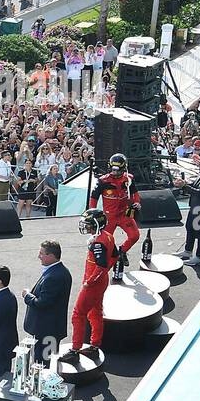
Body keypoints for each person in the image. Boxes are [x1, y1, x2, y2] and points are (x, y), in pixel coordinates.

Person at [67, 208, 114, 364]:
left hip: (94, 284)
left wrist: (90, 282)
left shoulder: (98, 243)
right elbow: (115, 255)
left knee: (78, 314)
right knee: (95, 313)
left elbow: (100, 266)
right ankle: (94, 345)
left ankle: (75, 350)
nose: (85, 227)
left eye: (88, 224)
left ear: (96, 224)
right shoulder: (107, 236)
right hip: (102, 281)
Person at [89, 153, 140, 282]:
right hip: (108, 216)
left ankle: (121, 251)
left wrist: (137, 202)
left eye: (118, 170)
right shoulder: (102, 181)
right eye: (113, 169)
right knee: (104, 242)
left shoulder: (129, 179)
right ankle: (101, 269)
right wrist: (92, 212)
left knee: (135, 235)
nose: (115, 172)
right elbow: (93, 198)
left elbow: (135, 193)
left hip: (125, 213)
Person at [22, 240, 72, 365]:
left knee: (45, 365)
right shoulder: (56, 271)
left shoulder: (54, 276)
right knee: (43, 362)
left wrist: (27, 296)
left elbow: (42, 303)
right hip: (48, 330)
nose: (39, 256)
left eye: (41, 253)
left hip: (48, 332)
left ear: (51, 256)